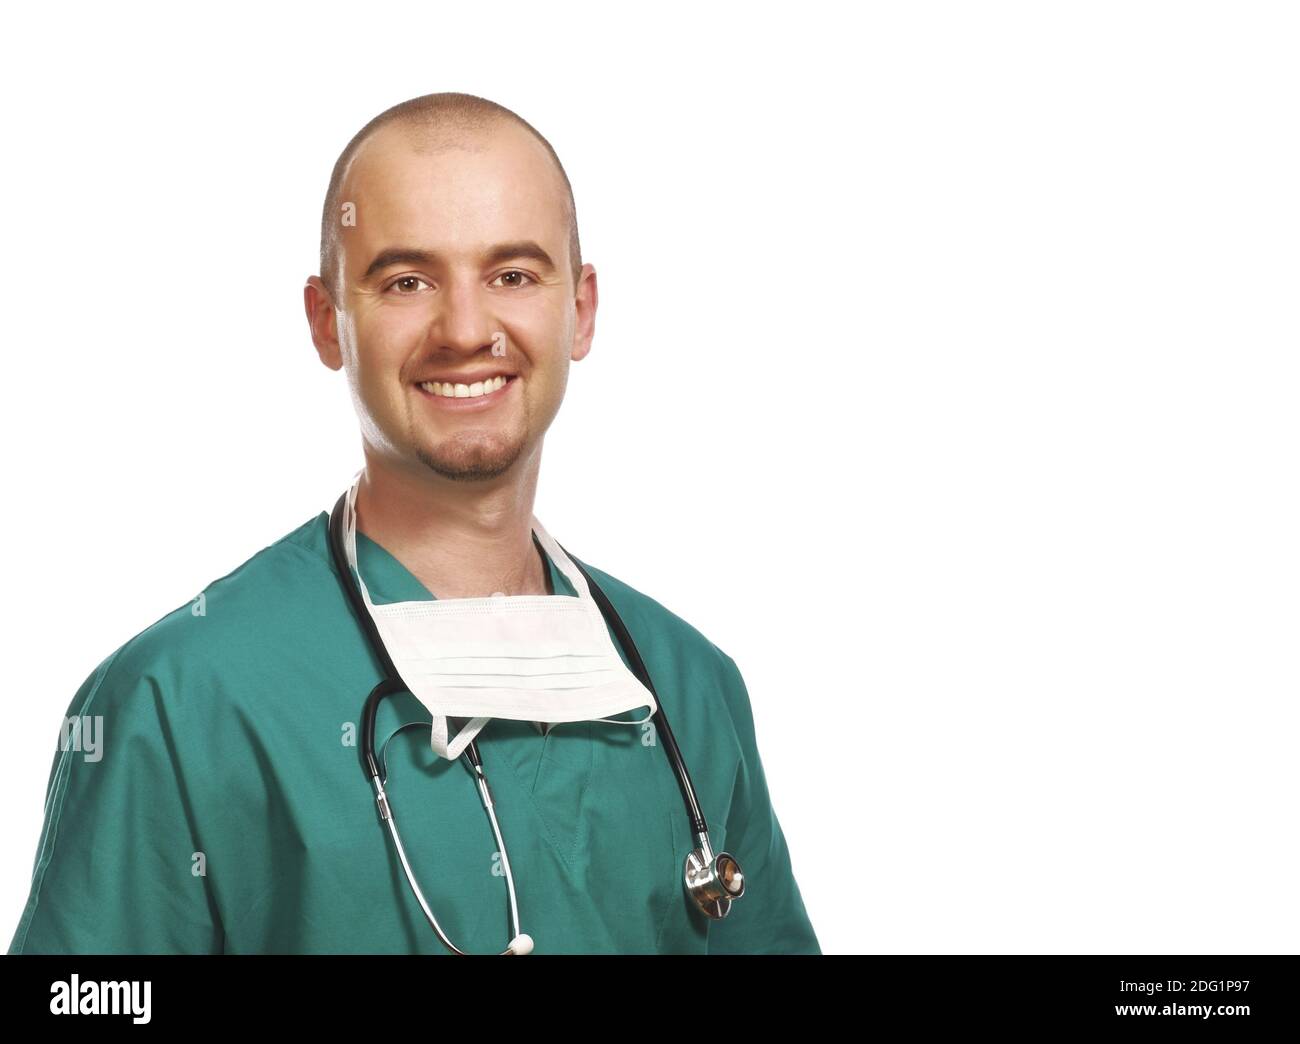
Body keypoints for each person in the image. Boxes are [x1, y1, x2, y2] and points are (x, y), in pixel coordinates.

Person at [7, 92, 821, 955]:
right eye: (407, 281)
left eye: (512, 274)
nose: (467, 330)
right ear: (329, 323)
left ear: (580, 311)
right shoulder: (179, 703)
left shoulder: (687, 687)